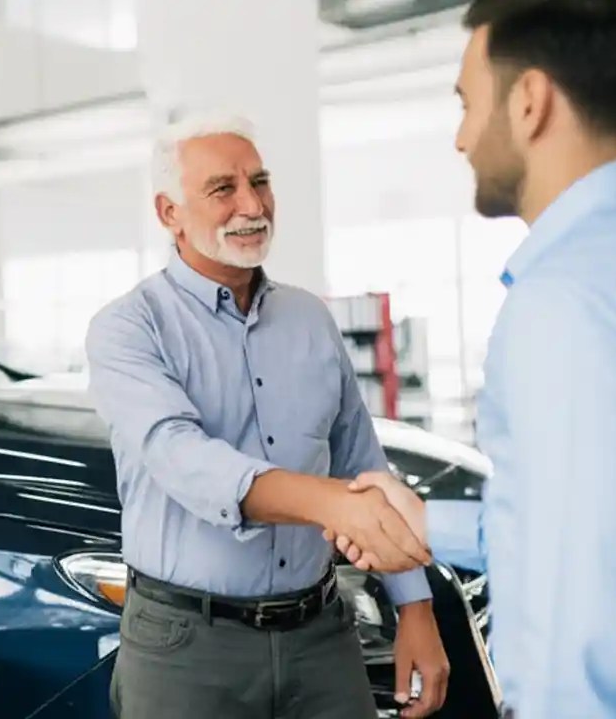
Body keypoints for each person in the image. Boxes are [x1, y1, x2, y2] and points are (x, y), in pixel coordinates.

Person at [328, 0, 616, 716]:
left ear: (529, 102)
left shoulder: (570, 300)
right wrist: (426, 524)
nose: (463, 138)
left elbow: (587, 625)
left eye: (468, 104)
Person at [84, 112, 448, 719]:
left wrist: (415, 606)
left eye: (260, 181)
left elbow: (362, 459)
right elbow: (181, 457)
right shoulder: (128, 327)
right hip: (187, 648)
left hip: (321, 636)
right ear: (169, 212)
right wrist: (329, 504)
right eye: (223, 188)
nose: (252, 204)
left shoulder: (310, 319)